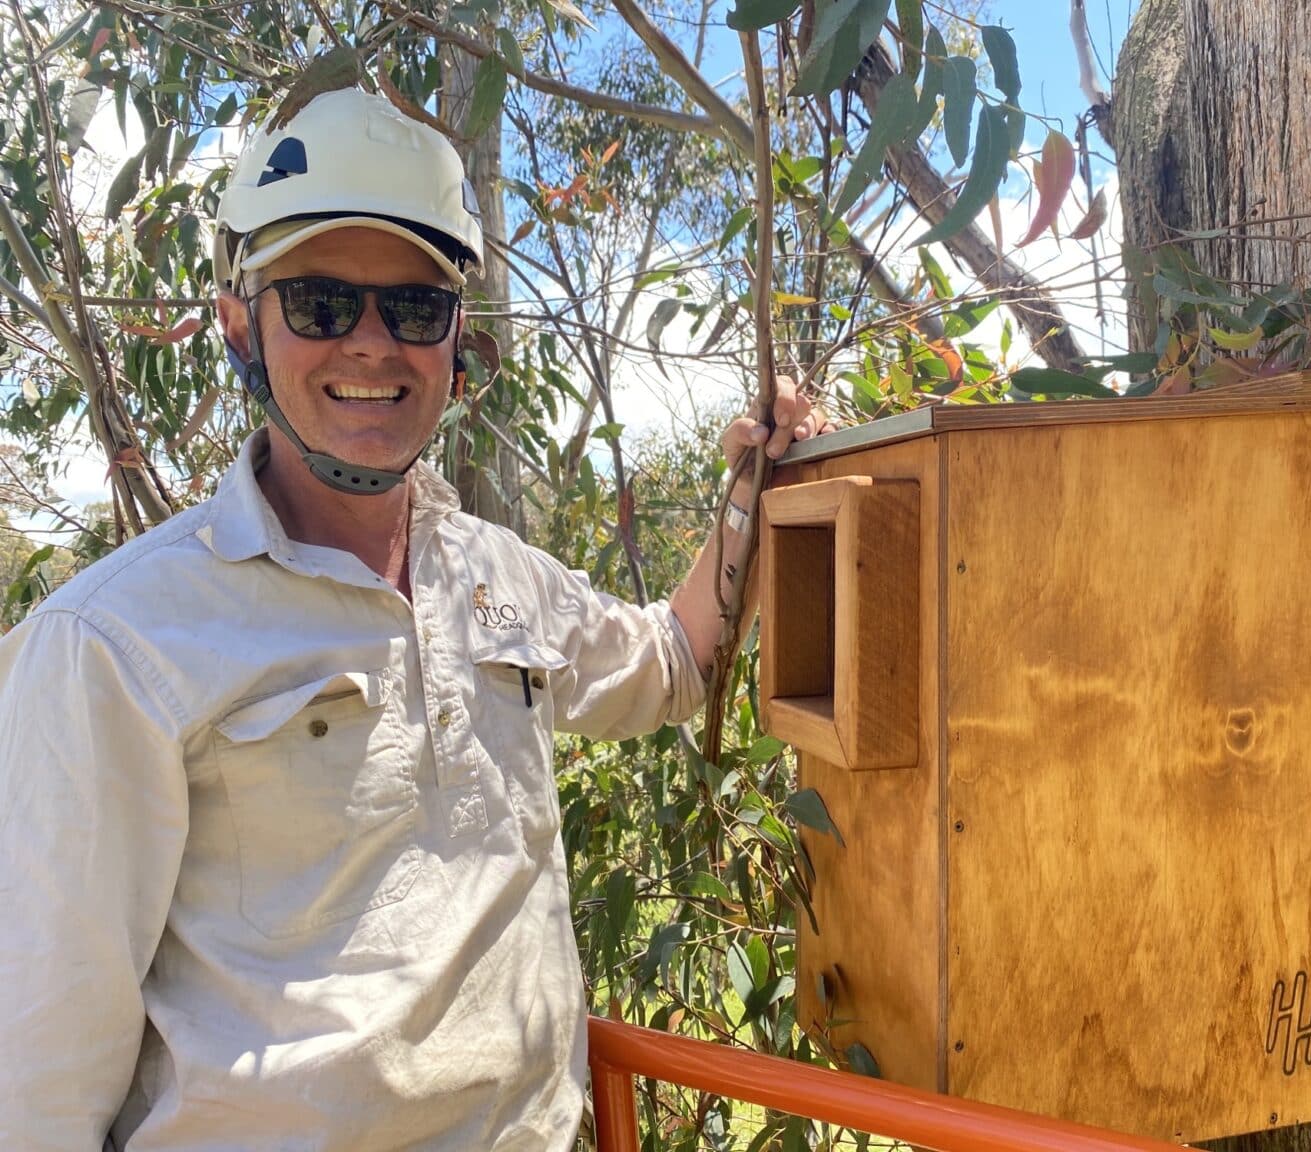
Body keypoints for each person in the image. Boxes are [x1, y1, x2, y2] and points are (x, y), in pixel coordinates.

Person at [0, 85, 822, 1150]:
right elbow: (40, 1079)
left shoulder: (493, 575)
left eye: (416, 308)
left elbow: (668, 665)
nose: (374, 345)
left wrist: (751, 490)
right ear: (239, 322)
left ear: (456, 342)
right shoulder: (110, 645)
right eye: (322, 305)